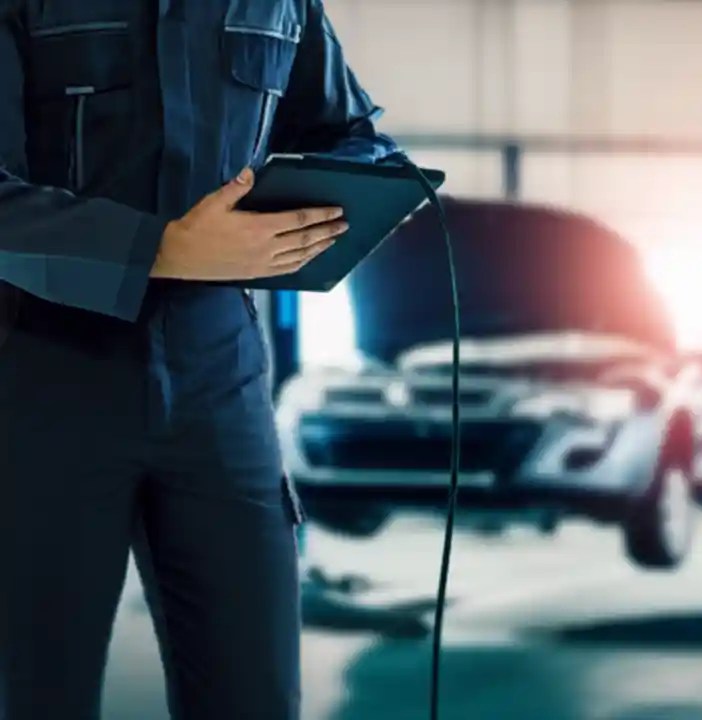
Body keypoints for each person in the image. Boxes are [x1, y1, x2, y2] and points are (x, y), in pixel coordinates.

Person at [0, 1, 403, 717]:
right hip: (39, 368)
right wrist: (161, 250)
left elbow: (353, 137)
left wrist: (327, 210)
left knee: (254, 694)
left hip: (220, 377)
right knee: (34, 693)